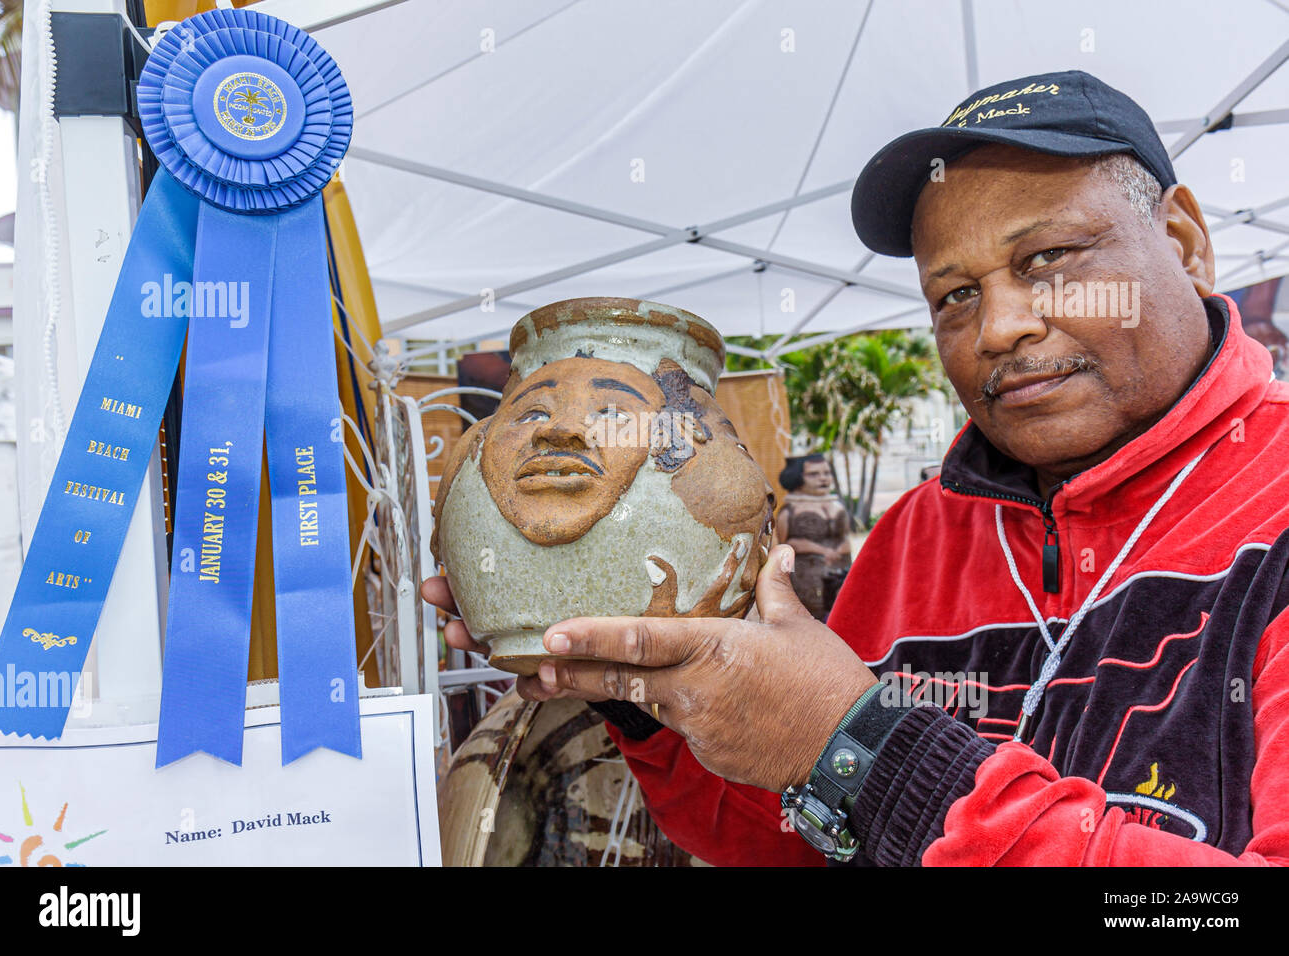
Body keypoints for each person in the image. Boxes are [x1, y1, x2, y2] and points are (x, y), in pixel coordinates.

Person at [422, 70, 1289, 866]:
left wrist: (865, 751)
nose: (998, 328)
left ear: (1181, 241)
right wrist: (635, 682)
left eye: (1049, 260)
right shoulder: (918, 535)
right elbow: (792, 840)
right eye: (955, 295)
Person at [775, 455, 851, 620]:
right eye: (814, 474)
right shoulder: (790, 511)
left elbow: (845, 537)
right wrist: (821, 550)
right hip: (806, 583)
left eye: (826, 473)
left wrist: (839, 551)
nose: (822, 478)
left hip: (839, 578)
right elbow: (784, 545)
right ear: (797, 478)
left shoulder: (837, 507)